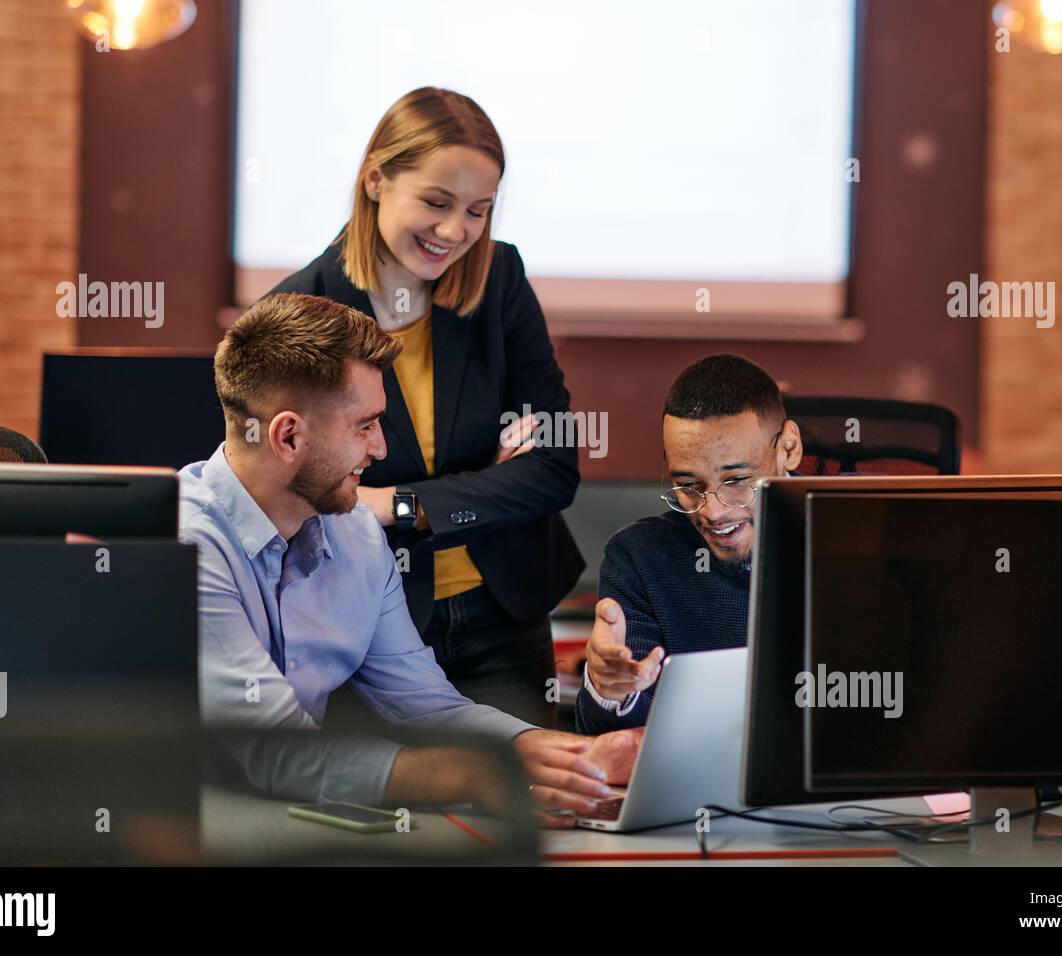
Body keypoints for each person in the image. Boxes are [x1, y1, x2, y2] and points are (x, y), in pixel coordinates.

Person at [181, 292, 637, 825]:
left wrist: (560, 755)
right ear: (288, 436)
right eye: (364, 425)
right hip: (178, 830)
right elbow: (279, 750)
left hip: (287, 820)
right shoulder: (186, 548)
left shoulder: (356, 535)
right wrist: (479, 774)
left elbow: (425, 704)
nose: (378, 449)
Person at [269, 87, 582, 727]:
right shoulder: (299, 311)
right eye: (436, 203)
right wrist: (490, 478)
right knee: (388, 817)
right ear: (376, 178)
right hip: (369, 627)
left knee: (531, 807)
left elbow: (552, 470)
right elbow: (296, 498)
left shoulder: (500, 280)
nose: (454, 232)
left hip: (504, 618)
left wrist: (393, 503)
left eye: (478, 211)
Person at [575, 354, 802, 734]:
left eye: (735, 481)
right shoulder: (640, 558)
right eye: (689, 486)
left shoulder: (860, 546)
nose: (712, 512)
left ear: (789, 449)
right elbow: (615, 741)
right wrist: (610, 691)